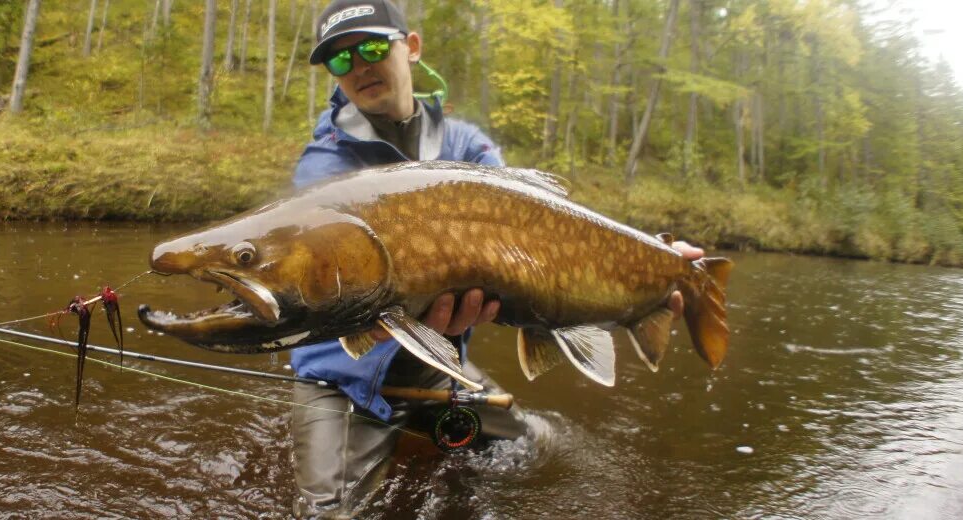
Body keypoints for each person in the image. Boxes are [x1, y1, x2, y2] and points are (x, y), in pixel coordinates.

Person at [287, 1, 702, 516]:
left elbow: (542, 242)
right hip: (341, 377)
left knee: (532, 447)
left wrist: (651, 264)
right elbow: (316, 294)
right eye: (340, 59)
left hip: (436, 365)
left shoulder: (466, 145)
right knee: (327, 513)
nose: (358, 67)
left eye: (372, 48)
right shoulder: (324, 169)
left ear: (411, 47)